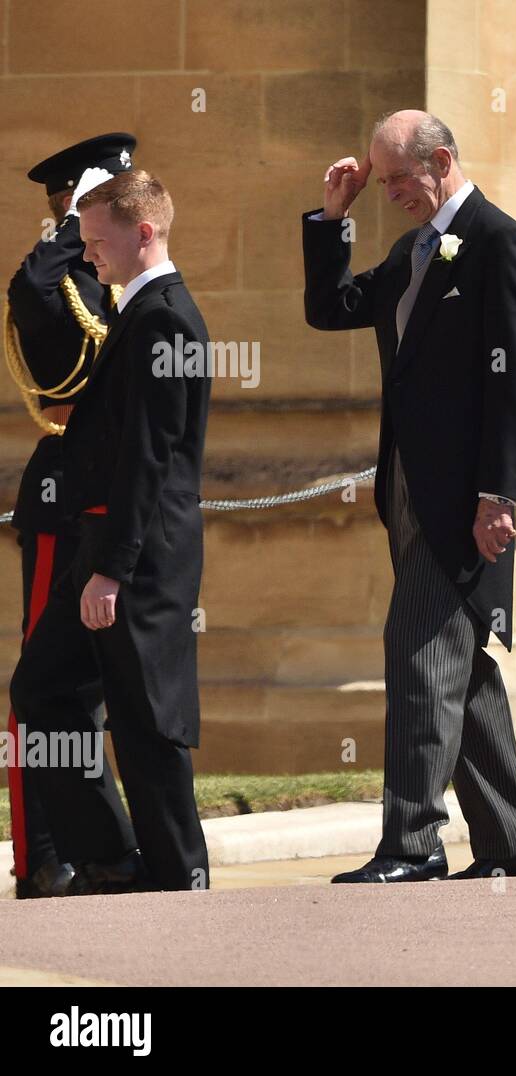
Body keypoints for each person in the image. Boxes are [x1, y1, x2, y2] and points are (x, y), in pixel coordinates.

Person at [303, 110, 516, 883]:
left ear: (441, 161)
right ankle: (513, 845)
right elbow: (331, 308)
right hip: (407, 492)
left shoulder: (498, 242)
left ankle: (412, 845)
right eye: (381, 184)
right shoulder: (411, 250)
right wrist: (330, 220)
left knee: (417, 655)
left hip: (460, 503)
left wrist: (498, 496)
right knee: (457, 667)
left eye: (398, 180)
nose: (391, 195)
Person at [9, 170, 212, 893]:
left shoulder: (165, 316)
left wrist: (111, 571)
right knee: (42, 690)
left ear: (144, 232)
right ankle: (112, 856)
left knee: (146, 719)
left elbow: (150, 458)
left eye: (97, 241)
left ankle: (178, 876)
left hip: (135, 556)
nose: (87, 255)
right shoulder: (142, 308)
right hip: (103, 548)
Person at [4, 133, 142, 897]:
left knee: (101, 691)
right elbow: (29, 292)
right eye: (105, 194)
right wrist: (68, 224)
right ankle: (45, 855)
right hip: (66, 498)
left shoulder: (116, 284)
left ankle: (107, 852)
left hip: (120, 501)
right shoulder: (63, 283)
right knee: (48, 686)